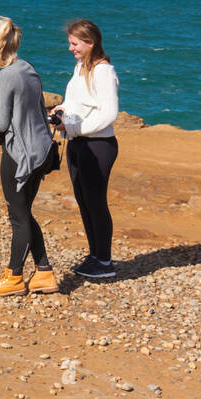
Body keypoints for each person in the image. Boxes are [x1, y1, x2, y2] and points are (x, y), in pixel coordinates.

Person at [0, 16, 58, 297]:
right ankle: (44, 273)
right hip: (41, 151)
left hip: (19, 156)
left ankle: (14, 277)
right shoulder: (28, 69)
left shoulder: (4, 76)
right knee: (24, 213)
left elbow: (0, 124)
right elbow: (28, 107)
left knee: (18, 218)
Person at [52, 19, 120, 279]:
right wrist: (62, 112)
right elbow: (75, 102)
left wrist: (73, 127)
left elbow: (109, 113)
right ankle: (95, 256)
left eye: (74, 43)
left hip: (98, 145)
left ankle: (104, 262)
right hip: (78, 142)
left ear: (90, 43)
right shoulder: (81, 66)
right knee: (84, 201)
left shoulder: (103, 72)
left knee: (95, 202)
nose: (70, 48)